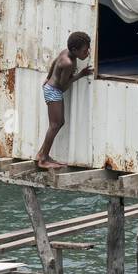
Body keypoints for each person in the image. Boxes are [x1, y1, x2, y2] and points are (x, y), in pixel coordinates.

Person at [36, 31, 92, 170]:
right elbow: (62, 85)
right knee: (56, 124)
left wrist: (48, 77)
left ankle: (41, 154)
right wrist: (80, 74)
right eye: (85, 51)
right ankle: (43, 159)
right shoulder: (68, 63)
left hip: (51, 88)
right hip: (54, 91)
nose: (88, 53)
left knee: (57, 123)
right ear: (75, 50)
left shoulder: (66, 52)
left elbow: (55, 61)